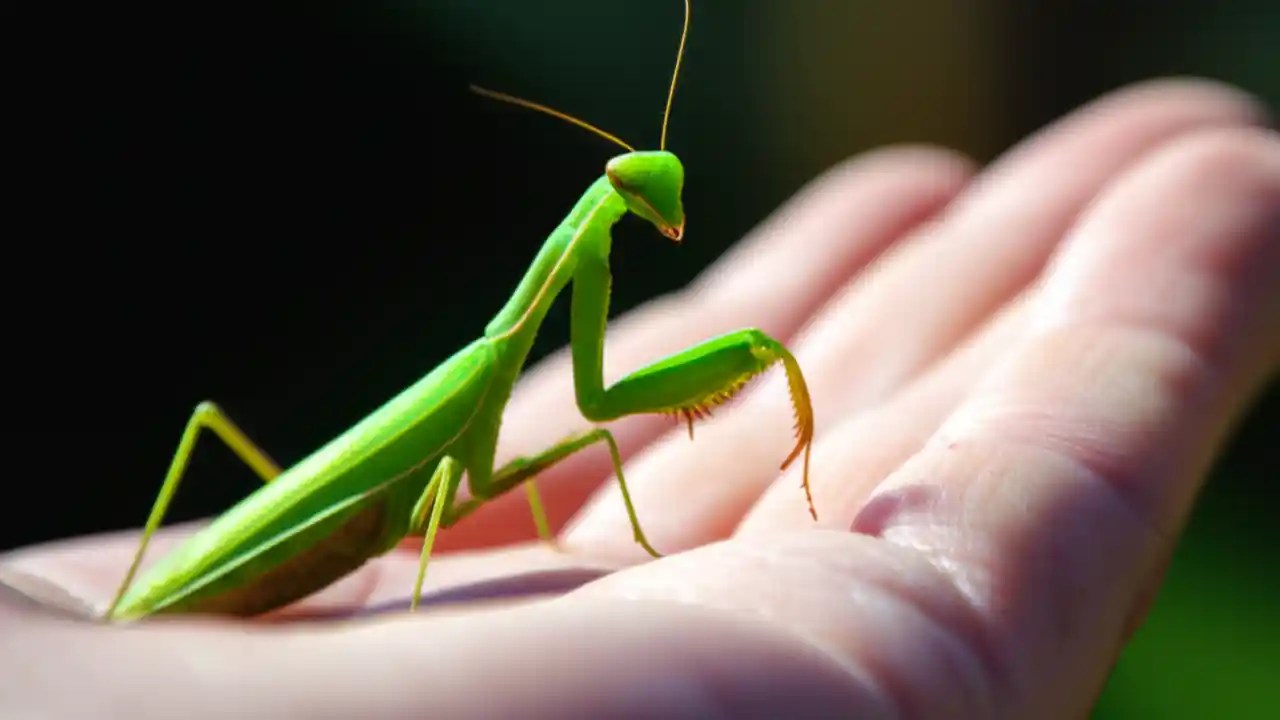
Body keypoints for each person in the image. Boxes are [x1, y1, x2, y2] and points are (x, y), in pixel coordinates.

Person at [3, 77, 1277, 719]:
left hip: (325, 535)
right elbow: (593, 403)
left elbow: (602, 401)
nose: (661, 211)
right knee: (211, 427)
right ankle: (136, 606)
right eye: (639, 196)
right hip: (290, 546)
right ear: (607, 209)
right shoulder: (525, 329)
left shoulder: (551, 307)